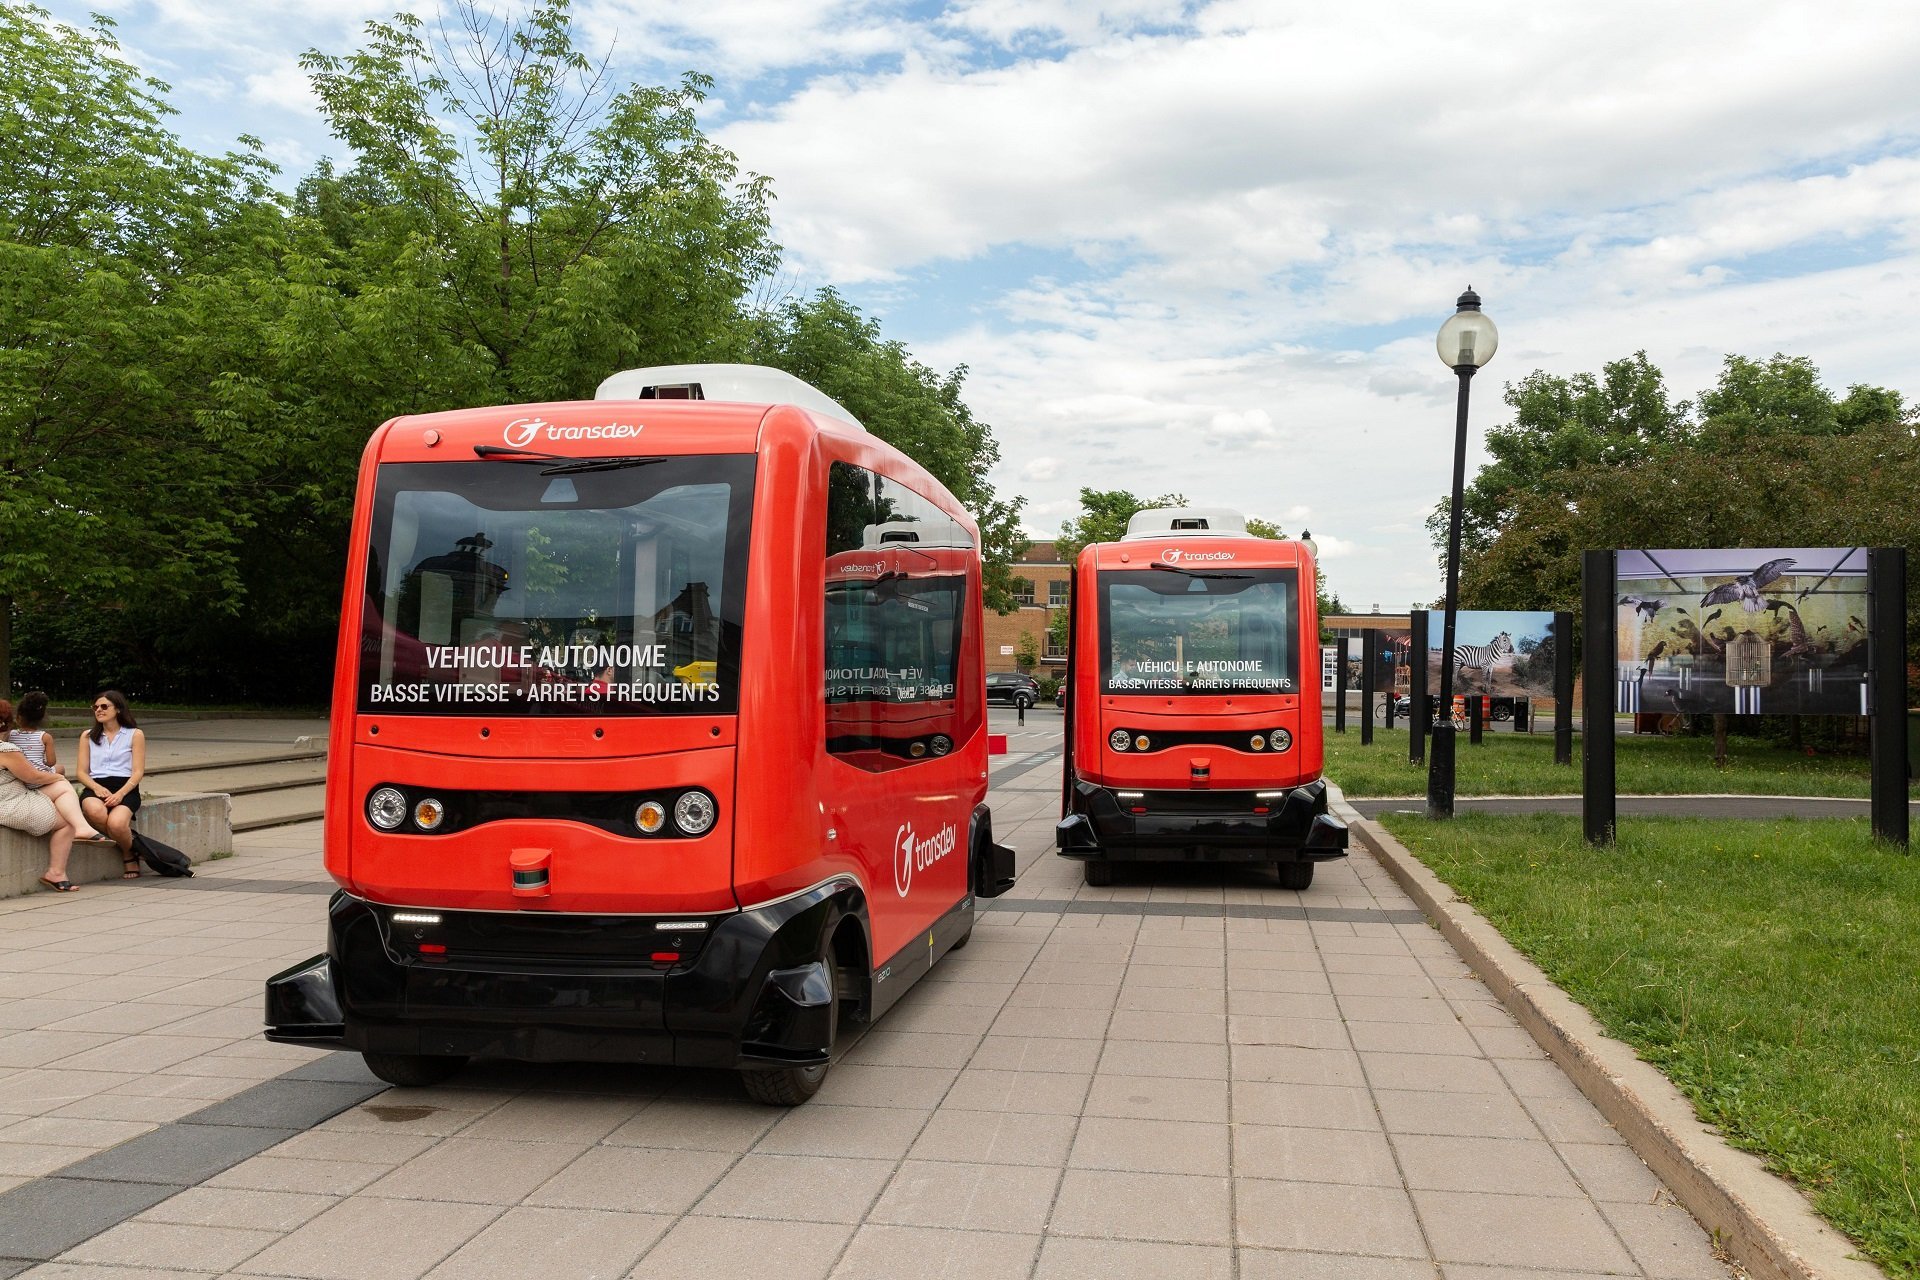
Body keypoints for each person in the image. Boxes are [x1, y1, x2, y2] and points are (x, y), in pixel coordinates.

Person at [0, 699, 101, 891]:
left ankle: (81, 829)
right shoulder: (5, 750)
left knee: (62, 790)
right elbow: (33, 776)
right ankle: (57, 871)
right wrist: (56, 773)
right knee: (66, 818)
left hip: (10, 796)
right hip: (8, 803)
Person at [77, 690, 146, 880]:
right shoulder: (87, 736)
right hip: (96, 785)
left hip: (125, 787)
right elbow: (81, 772)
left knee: (116, 824)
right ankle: (131, 848)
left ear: (118, 709)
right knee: (95, 812)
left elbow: (138, 772)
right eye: (96, 707)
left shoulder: (135, 734)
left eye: (104, 706)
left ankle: (127, 851)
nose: (99, 710)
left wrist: (121, 794)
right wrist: (97, 788)